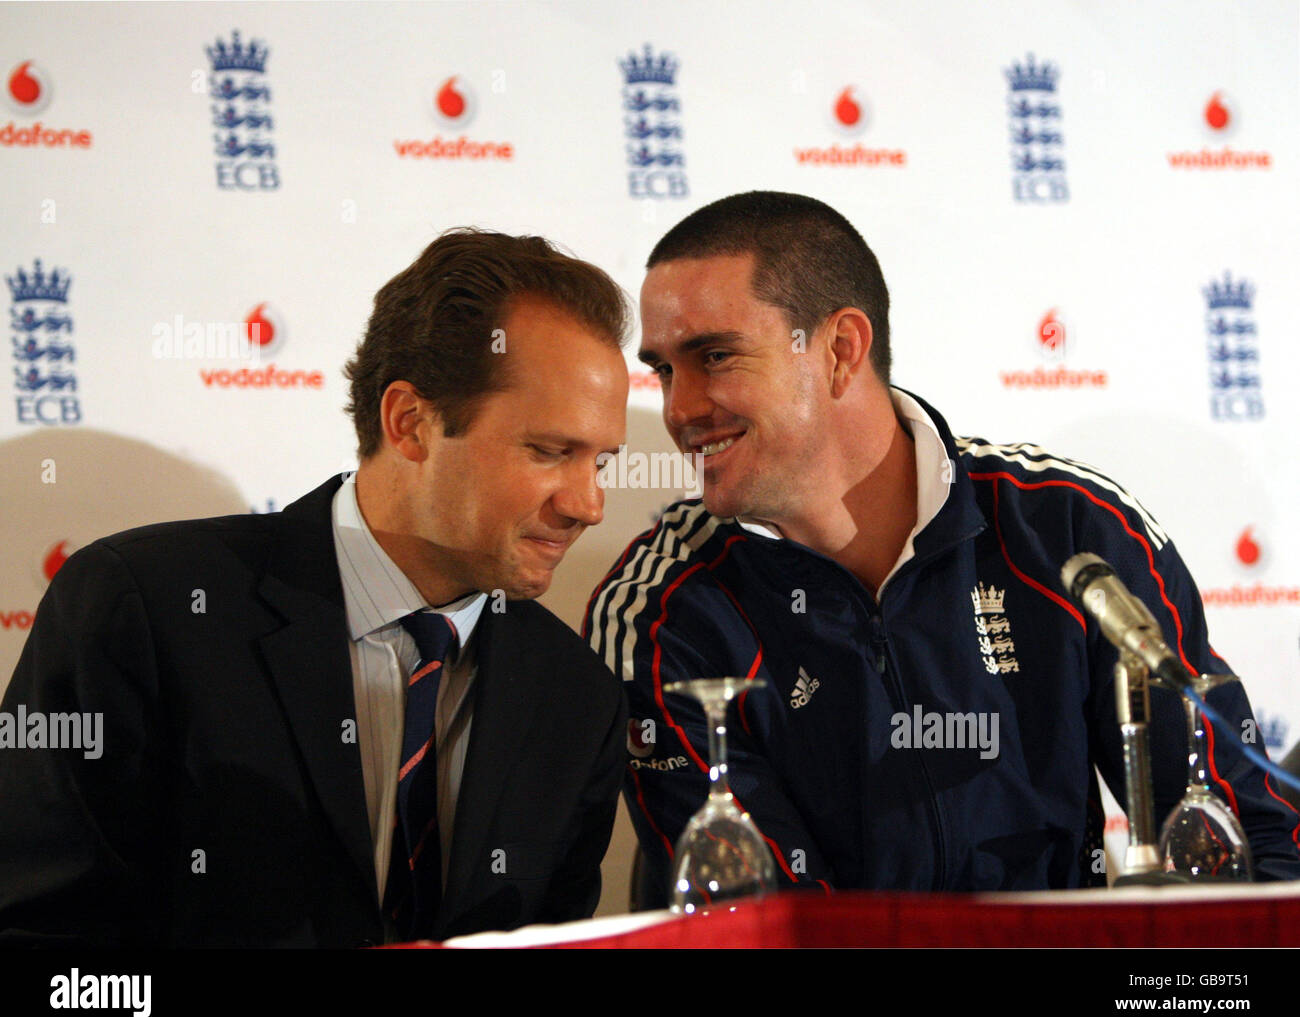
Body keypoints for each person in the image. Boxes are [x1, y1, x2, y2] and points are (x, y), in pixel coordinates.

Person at [585, 191, 1300, 906]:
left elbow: (1247, 841)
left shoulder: (1068, 527)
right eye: (666, 370)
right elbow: (761, 921)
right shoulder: (660, 610)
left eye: (715, 356)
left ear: (840, 351)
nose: (679, 409)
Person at [0, 229, 631, 947]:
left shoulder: (577, 698)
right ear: (410, 423)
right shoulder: (143, 611)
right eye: (551, 452)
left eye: (602, 462)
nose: (589, 504)